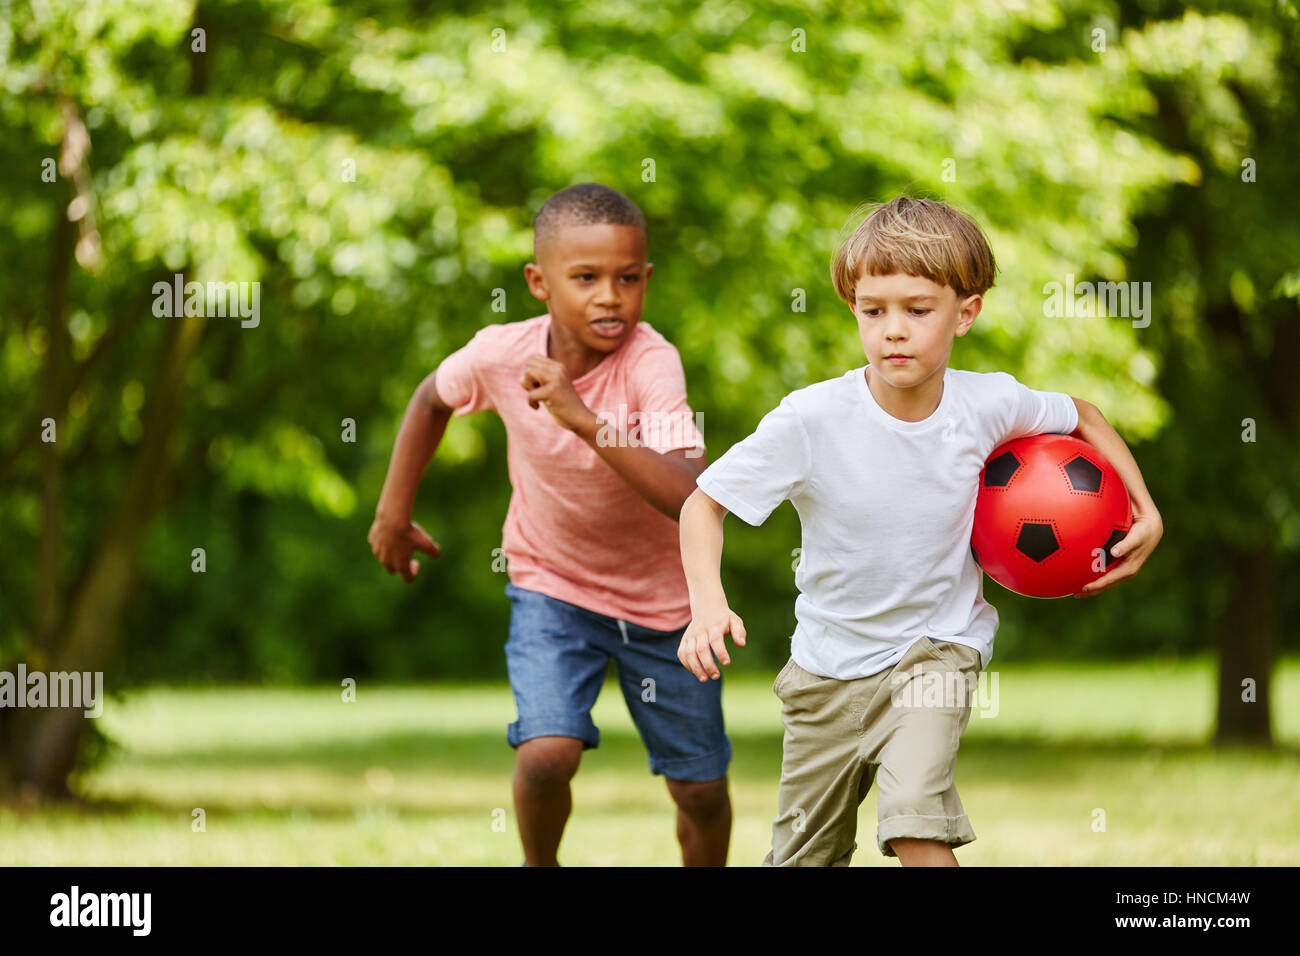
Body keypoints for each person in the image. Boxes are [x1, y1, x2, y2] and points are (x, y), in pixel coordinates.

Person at [676, 196, 1163, 866]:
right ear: (853, 308)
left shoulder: (988, 403)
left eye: (917, 309)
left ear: (966, 312)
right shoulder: (811, 419)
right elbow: (703, 505)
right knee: (800, 859)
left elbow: (1083, 414)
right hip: (825, 671)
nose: (892, 331)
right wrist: (707, 603)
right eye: (873, 311)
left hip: (934, 655)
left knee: (916, 825)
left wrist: (1146, 508)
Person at [369, 183, 731, 866]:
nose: (609, 296)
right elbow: (430, 400)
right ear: (538, 282)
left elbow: (687, 493)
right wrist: (394, 511)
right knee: (545, 755)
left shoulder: (652, 365)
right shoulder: (499, 354)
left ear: (646, 279)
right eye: (586, 278)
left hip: (666, 603)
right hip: (552, 585)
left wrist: (587, 422)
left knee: (702, 789)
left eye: (628, 279)